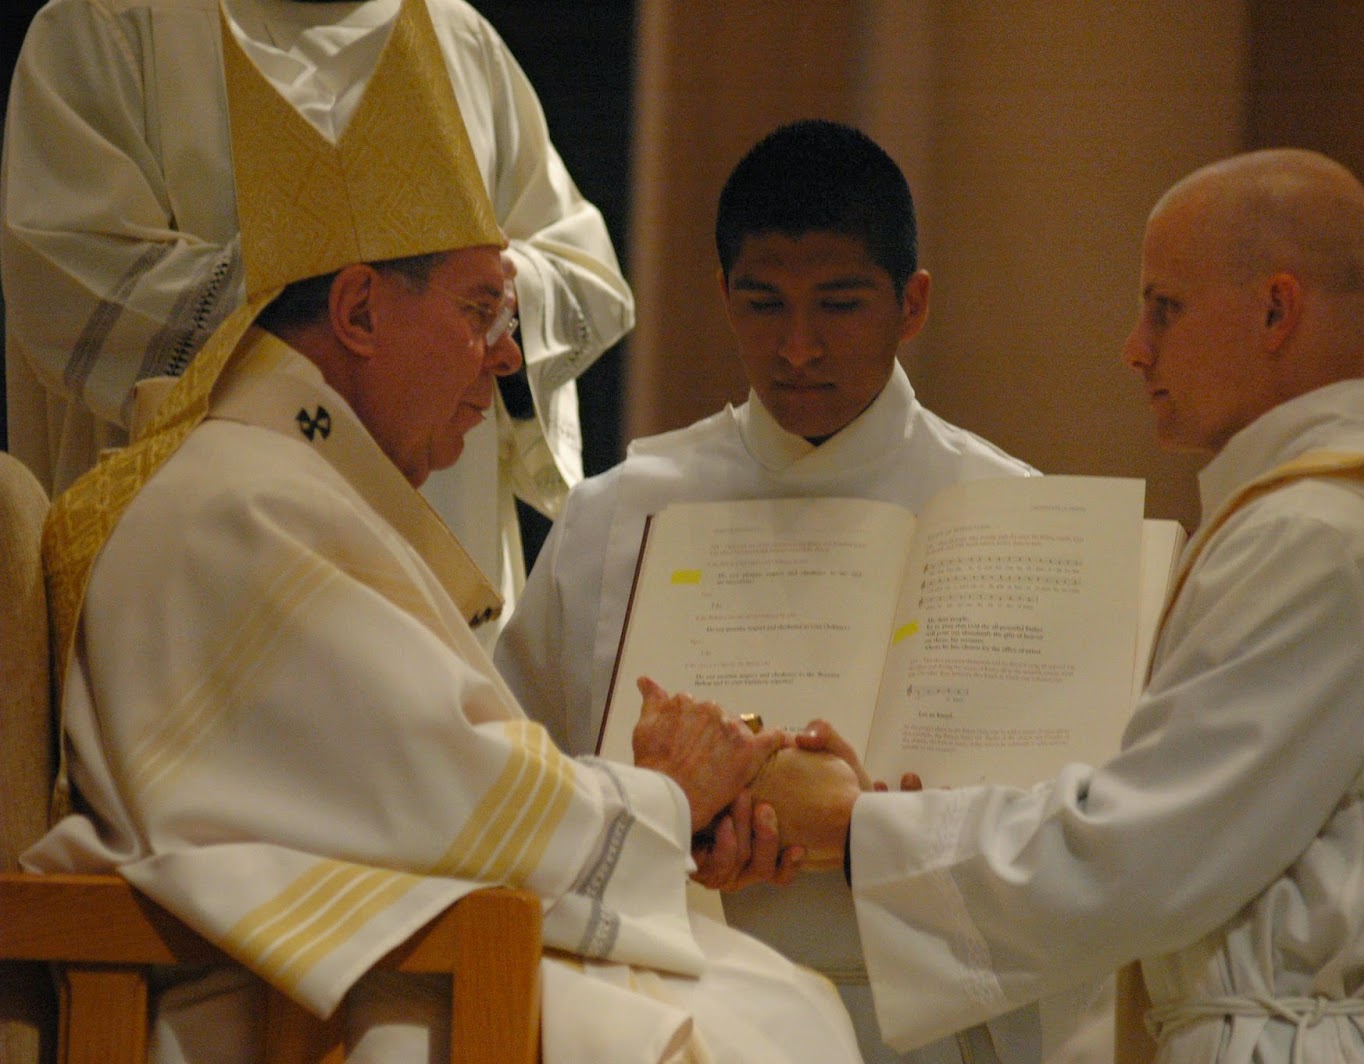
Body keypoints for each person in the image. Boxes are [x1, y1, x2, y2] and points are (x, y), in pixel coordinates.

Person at [20, 6, 859, 1060]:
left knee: (779, 1005)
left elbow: (424, 788)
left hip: (371, 958)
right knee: (767, 1023)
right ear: (360, 311)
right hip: (287, 1002)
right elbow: (450, 792)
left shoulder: (290, 488)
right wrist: (662, 793)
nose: (508, 360)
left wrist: (666, 816)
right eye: (479, 312)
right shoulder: (240, 508)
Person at [733, 148, 1364, 1062]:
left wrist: (855, 826)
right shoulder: (1338, 512)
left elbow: (1142, 852)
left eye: (1163, 307)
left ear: (1275, 311)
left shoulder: (1313, 536)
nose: (1135, 347)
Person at [493, 120, 1101, 1063]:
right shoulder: (615, 517)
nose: (800, 347)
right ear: (721, 294)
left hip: (933, 1025)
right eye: (763, 304)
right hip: (681, 1007)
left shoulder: (1012, 518)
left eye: (841, 305)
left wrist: (883, 822)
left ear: (914, 303)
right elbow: (520, 780)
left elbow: (1070, 834)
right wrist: (675, 815)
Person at [2, 0, 635, 643]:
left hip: (434, 534)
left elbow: (583, 270)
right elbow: (68, 284)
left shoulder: (458, 37)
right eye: (358, 310)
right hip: (198, 571)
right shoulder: (111, 25)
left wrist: (465, 304)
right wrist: (356, 307)